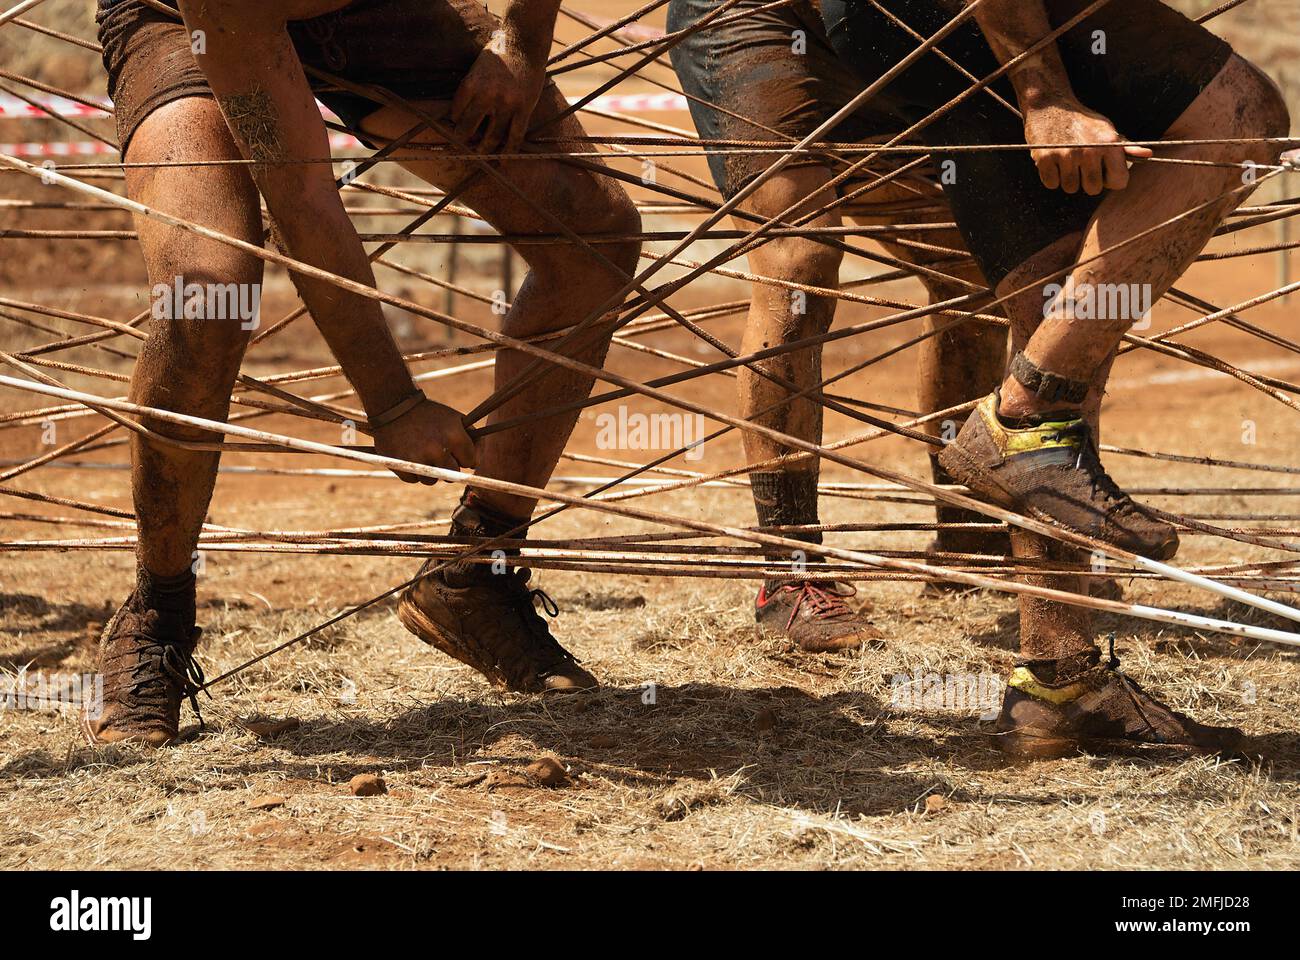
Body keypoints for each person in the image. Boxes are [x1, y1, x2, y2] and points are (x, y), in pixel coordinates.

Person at [85, 0, 641, 746]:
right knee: (206, 294)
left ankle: (479, 572)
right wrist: (393, 402)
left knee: (593, 238)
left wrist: (522, 42)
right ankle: (158, 611)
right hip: (184, 15)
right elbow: (303, 195)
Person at [819, 0, 1288, 755]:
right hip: (966, 12)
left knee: (1057, 302)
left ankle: (1058, 682)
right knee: (1240, 116)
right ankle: (1021, 416)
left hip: (898, 23)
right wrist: (1044, 95)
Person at [667, 0, 1009, 653]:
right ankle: (790, 575)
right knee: (800, 264)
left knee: (970, 269)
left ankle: (970, 544)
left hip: (877, 18)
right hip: (749, 15)